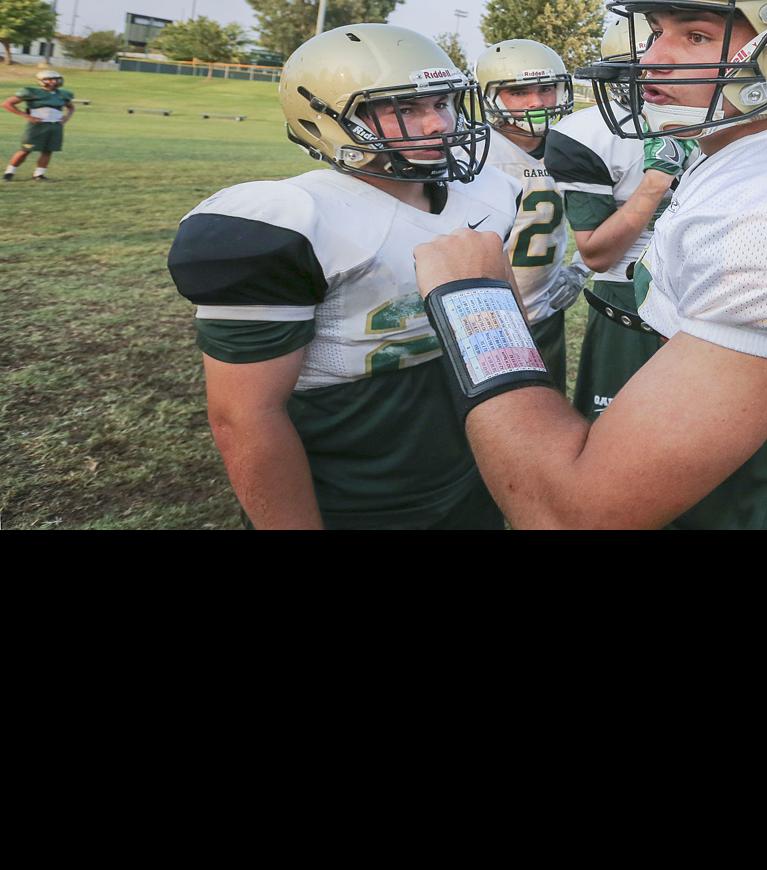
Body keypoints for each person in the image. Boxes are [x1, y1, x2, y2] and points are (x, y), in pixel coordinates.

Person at [410, 0, 767, 529]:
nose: (650, 57)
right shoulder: (751, 158)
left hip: (763, 500)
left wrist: (477, 303)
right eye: (656, 31)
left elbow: (573, 514)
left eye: (696, 35)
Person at [166, 24, 520, 529]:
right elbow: (244, 416)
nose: (438, 124)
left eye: (442, 103)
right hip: (352, 490)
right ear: (328, 118)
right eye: (404, 109)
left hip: (471, 467)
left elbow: (505, 331)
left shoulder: (490, 193)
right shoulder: (284, 221)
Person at [547, 11, 699, 421]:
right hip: (628, 294)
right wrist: (654, 183)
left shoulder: (723, 121)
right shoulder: (587, 136)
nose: (654, 82)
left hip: (708, 296)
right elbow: (597, 254)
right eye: (639, 71)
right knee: (620, 430)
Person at [474, 38, 588, 391]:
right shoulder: (474, 154)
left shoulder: (573, 145)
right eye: (519, 92)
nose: (537, 102)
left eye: (546, 89)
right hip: (484, 320)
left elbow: (603, 213)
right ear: (490, 96)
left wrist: (581, 269)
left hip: (545, 313)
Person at [4, 70, 75, 182]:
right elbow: (7, 104)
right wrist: (27, 116)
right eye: (51, 79)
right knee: (26, 149)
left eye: (56, 79)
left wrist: (66, 118)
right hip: (37, 127)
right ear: (42, 81)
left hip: (55, 126)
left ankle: (39, 174)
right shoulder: (31, 92)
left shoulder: (62, 94)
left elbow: (71, 107)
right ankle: (9, 172)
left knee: (48, 150)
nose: (55, 82)